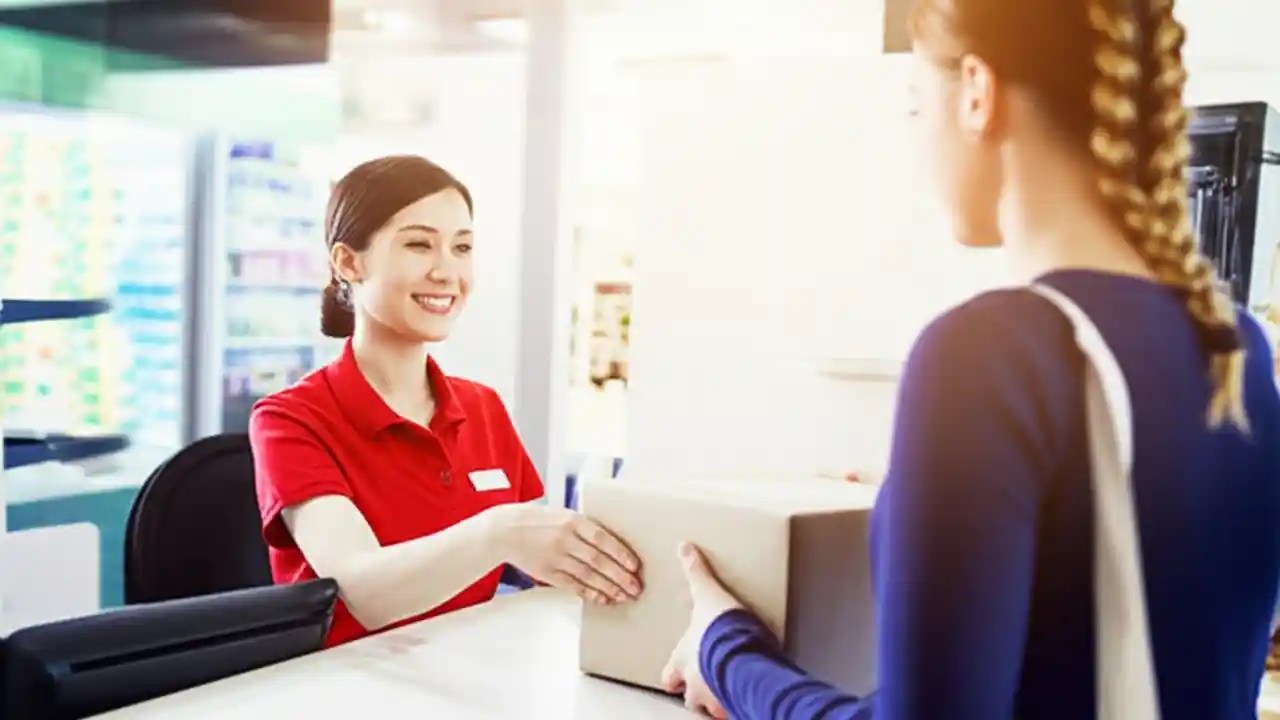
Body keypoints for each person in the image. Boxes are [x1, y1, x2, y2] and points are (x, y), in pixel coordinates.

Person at [661, 1, 1280, 718]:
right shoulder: (1235, 343)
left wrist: (725, 647)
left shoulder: (988, 354)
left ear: (978, 95)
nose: (920, 138)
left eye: (919, 105)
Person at [249, 155, 642, 648]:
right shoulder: (290, 419)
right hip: (345, 685)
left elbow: (542, 565)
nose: (446, 271)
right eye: (418, 245)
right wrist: (501, 531)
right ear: (349, 262)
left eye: (462, 248)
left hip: (467, 675)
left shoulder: (483, 408)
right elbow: (363, 592)